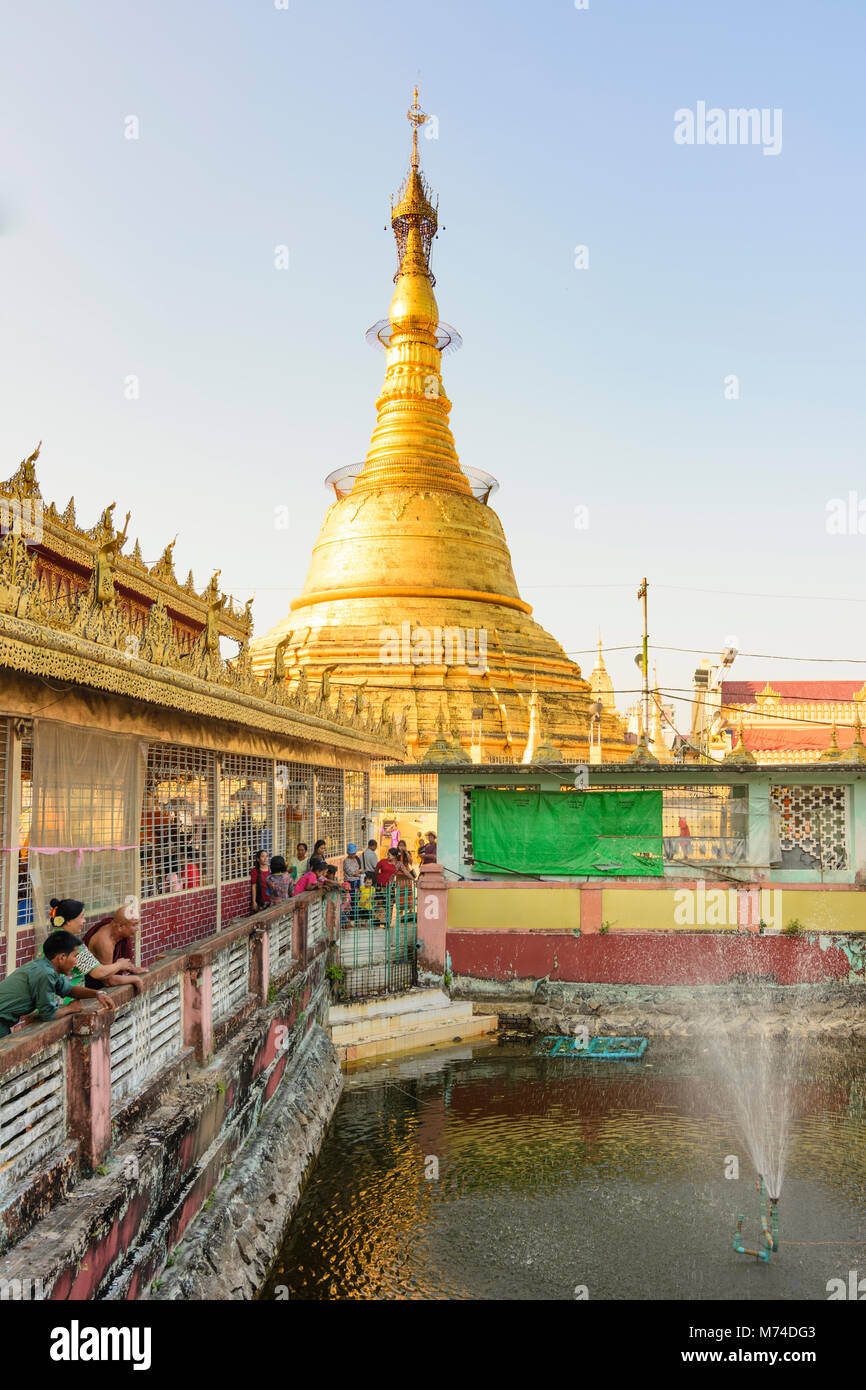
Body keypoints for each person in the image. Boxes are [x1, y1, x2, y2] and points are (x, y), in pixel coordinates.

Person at [0, 931, 115, 1036]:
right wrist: (70, 1008)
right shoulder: (45, 973)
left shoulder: (45, 967)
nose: (76, 961)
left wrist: (97, 994)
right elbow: (48, 1014)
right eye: (75, 956)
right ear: (62, 957)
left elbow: (69, 990)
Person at [47, 899, 144, 996]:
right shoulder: (73, 946)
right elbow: (98, 973)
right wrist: (120, 965)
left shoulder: (50, 940)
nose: (84, 921)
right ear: (68, 921)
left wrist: (129, 967)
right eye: (81, 917)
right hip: (63, 1000)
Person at [83, 903, 149, 986]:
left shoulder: (118, 932)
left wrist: (132, 968)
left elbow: (121, 961)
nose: (137, 928)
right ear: (120, 926)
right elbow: (107, 980)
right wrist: (135, 979)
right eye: (134, 924)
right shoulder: (104, 942)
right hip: (95, 989)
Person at [250, 848, 270, 913]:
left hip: (272, 900)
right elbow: (254, 887)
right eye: (262, 856)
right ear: (258, 859)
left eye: (267, 856)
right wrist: (254, 901)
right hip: (261, 901)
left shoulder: (271, 869)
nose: (265, 858)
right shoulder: (255, 871)